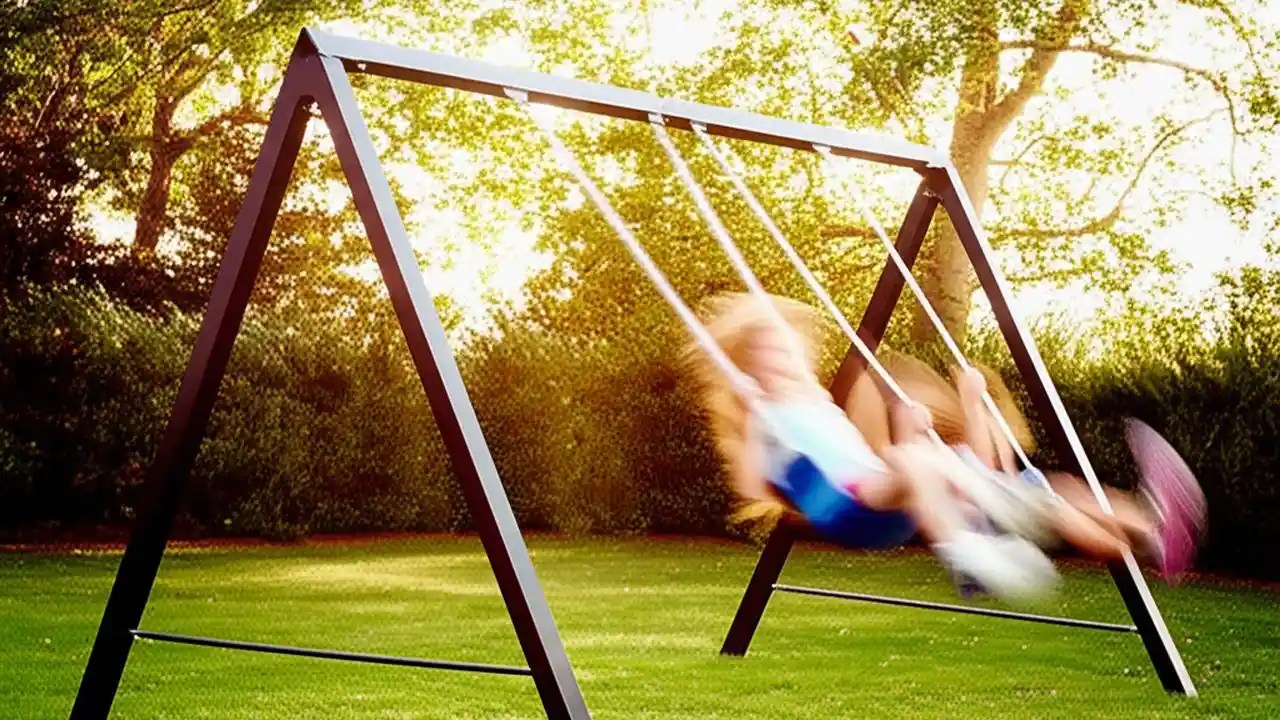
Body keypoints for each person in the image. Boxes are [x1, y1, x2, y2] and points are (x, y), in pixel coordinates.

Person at [681, 291, 1058, 604]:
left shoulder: (818, 402)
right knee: (908, 458)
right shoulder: (766, 419)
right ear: (754, 372)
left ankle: (984, 528)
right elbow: (752, 485)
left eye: (787, 351)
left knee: (931, 457)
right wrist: (750, 419)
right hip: (849, 505)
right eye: (770, 358)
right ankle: (976, 536)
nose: (783, 362)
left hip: (881, 493)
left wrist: (909, 426)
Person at [879, 351, 1207, 584]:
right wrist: (970, 405)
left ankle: (1150, 533)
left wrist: (978, 415)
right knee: (1059, 505)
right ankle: (1152, 540)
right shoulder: (926, 459)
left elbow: (994, 470)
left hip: (997, 502)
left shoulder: (943, 452)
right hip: (984, 520)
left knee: (1064, 492)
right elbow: (979, 469)